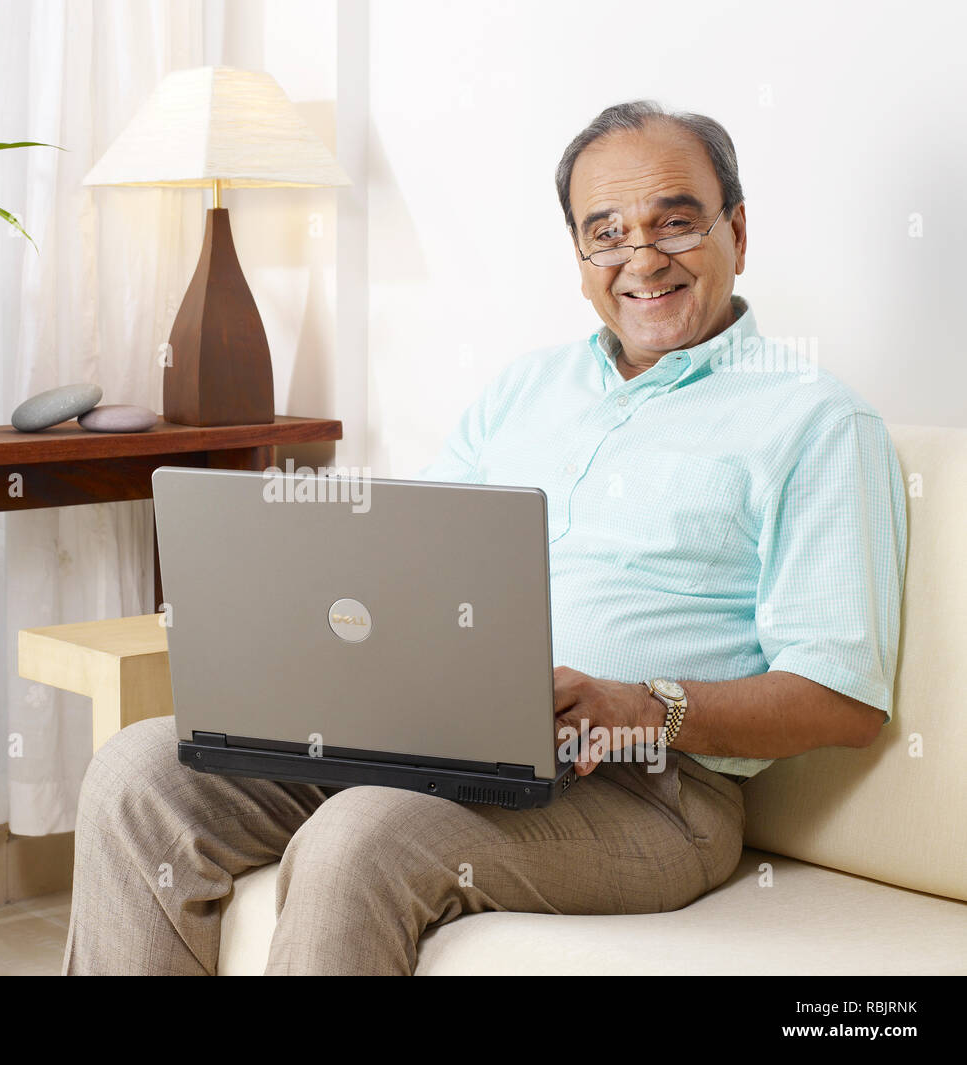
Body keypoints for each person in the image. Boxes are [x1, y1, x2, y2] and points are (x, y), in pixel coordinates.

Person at [63, 100, 907, 976]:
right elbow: (402, 572)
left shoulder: (818, 422)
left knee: (359, 836)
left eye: (676, 223)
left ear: (736, 228)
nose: (643, 259)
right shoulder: (522, 391)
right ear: (579, 256)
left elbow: (842, 699)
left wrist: (645, 704)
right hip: (436, 738)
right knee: (138, 773)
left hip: (648, 789)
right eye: (606, 233)